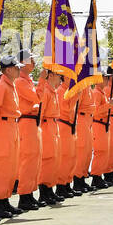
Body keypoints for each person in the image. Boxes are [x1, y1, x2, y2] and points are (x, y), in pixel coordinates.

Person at [0, 55, 22, 217]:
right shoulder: (2, 85)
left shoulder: (11, 85)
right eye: (16, 68)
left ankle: (5, 199)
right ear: (8, 70)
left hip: (12, 125)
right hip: (2, 126)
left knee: (11, 165)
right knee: (3, 165)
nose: (19, 70)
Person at [15, 50, 43, 210]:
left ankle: (30, 193)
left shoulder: (27, 80)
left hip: (33, 123)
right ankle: (24, 195)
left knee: (34, 159)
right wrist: (43, 82)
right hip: (26, 122)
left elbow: (37, 101)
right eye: (31, 59)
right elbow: (37, 98)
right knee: (28, 159)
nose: (33, 62)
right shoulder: (20, 81)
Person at [36, 68, 63, 206]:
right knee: (47, 160)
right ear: (51, 75)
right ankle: (43, 191)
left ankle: (49, 189)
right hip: (46, 126)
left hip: (53, 125)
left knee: (54, 160)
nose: (60, 78)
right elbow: (40, 113)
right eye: (58, 75)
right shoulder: (46, 91)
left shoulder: (53, 91)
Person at [72, 78, 100, 193]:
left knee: (88, 152)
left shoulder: (89, 88)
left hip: (88, 119)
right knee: (82, 152)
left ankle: (82, 178)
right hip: (82, 119)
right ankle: (77, 181)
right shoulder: (82, 87)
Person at [90, 69, 113, 189]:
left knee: (105, 151)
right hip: (98, 124)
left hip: (104, 124)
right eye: (105, 78)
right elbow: (95, 111)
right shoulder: (96, 93)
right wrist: (108, 106)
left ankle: (99, 175)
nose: (107, 80)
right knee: (100, 151)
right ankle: (96, 177)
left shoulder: (102, 93)